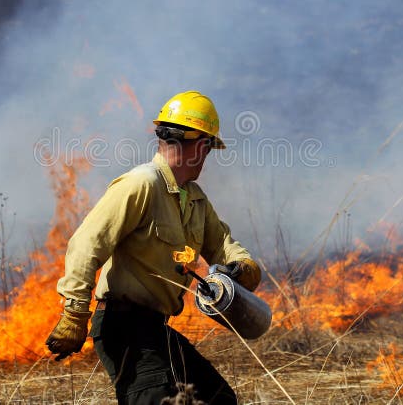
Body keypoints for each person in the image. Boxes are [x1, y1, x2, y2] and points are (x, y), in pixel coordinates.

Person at [45, 90, 261, 405]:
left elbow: (224, 247)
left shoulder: (195, 199)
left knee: (218, 399)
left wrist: (244, 268)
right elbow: (86, 244)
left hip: (154, 329)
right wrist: (75, 313)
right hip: (122, 327)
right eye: (208, 147)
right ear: (201, 146)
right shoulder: (141, 184)